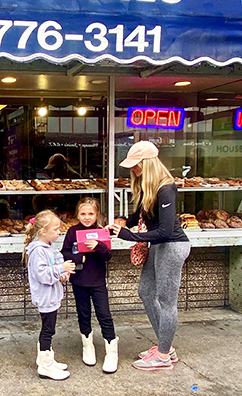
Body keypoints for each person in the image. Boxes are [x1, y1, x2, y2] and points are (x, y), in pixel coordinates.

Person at [107, 141, 190, 371]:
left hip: (172, 246)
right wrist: (121, 222)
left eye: (136, 165)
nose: (132, 170)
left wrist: (127, 235)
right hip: (159, 246)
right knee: (145, 291)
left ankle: (163, 356)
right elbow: (141, 216)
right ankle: (166, 346)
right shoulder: (149, 186)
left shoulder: (166, 188)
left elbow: (164, 231)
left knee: (166, 302)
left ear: (147, 163)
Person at [61, 197, 118, 372]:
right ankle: (88, 346)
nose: (87, 217)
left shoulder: (101, 232)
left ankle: (112, 351)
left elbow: (108, 256)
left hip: (98, 281)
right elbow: (64, 252)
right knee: (83, 313)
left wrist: (99, 246)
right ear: (77, 215)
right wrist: (79, 258)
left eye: (91, 214)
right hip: (79, 281)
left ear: (97, 215)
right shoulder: (72, 232)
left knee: (104, 314)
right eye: (83, 213)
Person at [23, 210, 75, 380]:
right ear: (43, 231)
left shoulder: (50, 247)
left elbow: (57, 262)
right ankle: (45, 366)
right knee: (48, 330)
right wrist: (61, 269)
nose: (59, 232)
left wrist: (63, 273)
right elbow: (42, 275)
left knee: (49, 329)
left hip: (52, 294)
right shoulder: (38, 250)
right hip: (46, 297)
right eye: (55, 230)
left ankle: (47, 359)